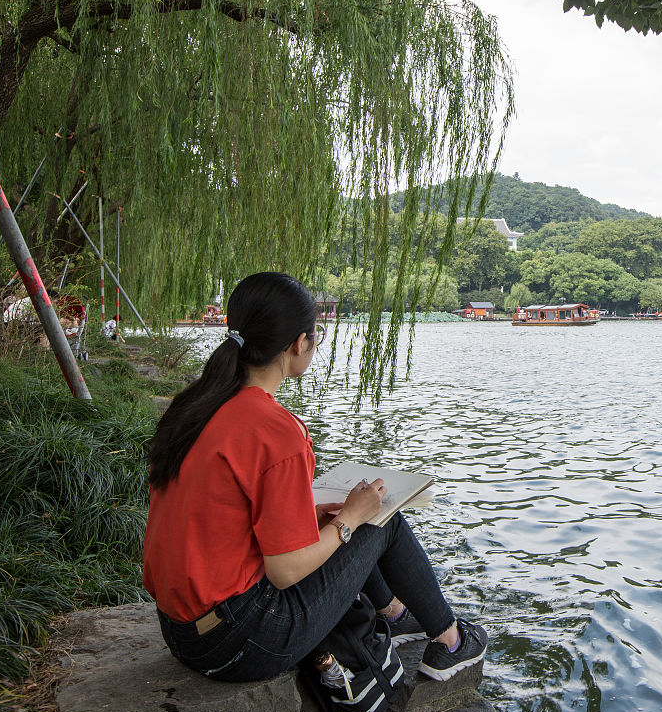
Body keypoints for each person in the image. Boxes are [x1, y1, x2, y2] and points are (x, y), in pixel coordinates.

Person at [143, 271, 486, 683]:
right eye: (315, 337)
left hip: (181, 631)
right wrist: (349, 519)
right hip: (240, 642)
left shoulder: (194, 406)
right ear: (298, 343)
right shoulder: (275, 429)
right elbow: (285, 572)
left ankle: (394, 615)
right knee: (382, 521)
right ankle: (451, 642)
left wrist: (320, 516)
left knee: (349, 518)